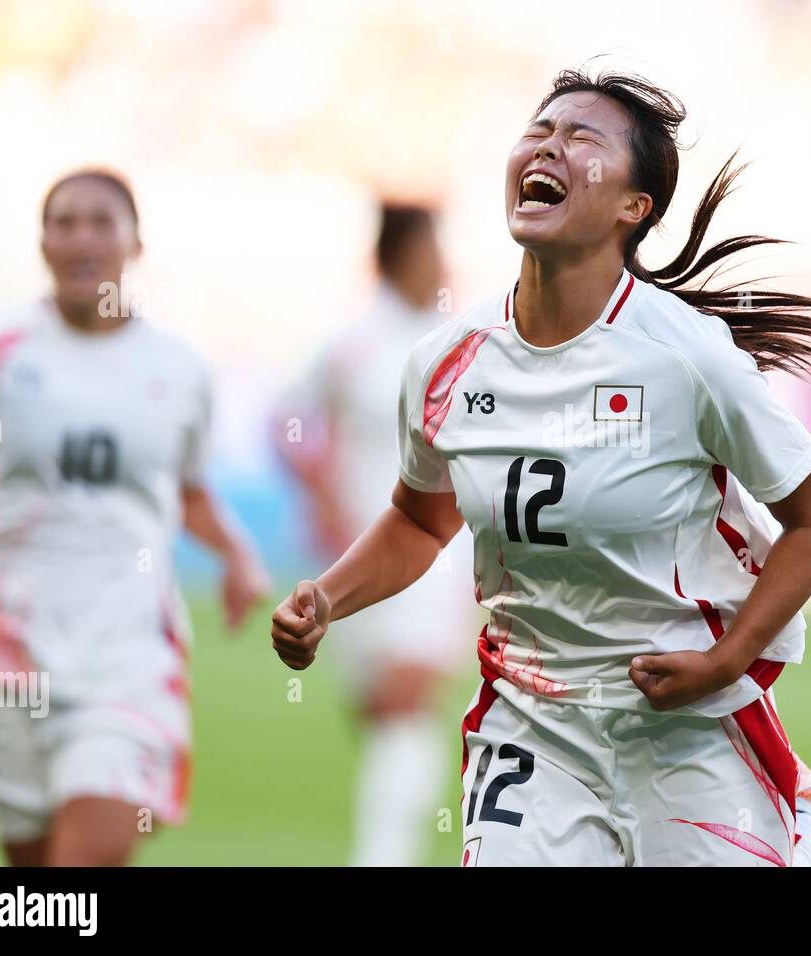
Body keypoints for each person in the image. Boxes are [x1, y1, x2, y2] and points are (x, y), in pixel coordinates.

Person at [272, 69, 811, 866]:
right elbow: (424, 518)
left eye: (583, 138)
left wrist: (725, 664)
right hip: (533, 724)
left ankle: (785, 801)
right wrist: (327, 597)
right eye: (541, 129)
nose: (549, 145)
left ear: (635, 208)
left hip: (685, 724)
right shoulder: (447, 361)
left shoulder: (687, 358)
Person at [0, 168, 270, 866]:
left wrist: (238, 555)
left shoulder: (179, 369)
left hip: (127, 659)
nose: (81, 238)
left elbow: (187, 488)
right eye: (64, 222)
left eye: (101, 221)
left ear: (134, 242)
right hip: (8, 653)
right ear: (42, 242)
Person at [275, 203, 476, 866]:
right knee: (385, 715)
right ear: (401, 257)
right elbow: (286, 424)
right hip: (356, 555)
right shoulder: (353, 345)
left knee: (404, 695)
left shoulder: (460, 341)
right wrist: (322, 499)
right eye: (430, 250)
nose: (441, 264)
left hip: (435, 554)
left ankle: (384, 858)